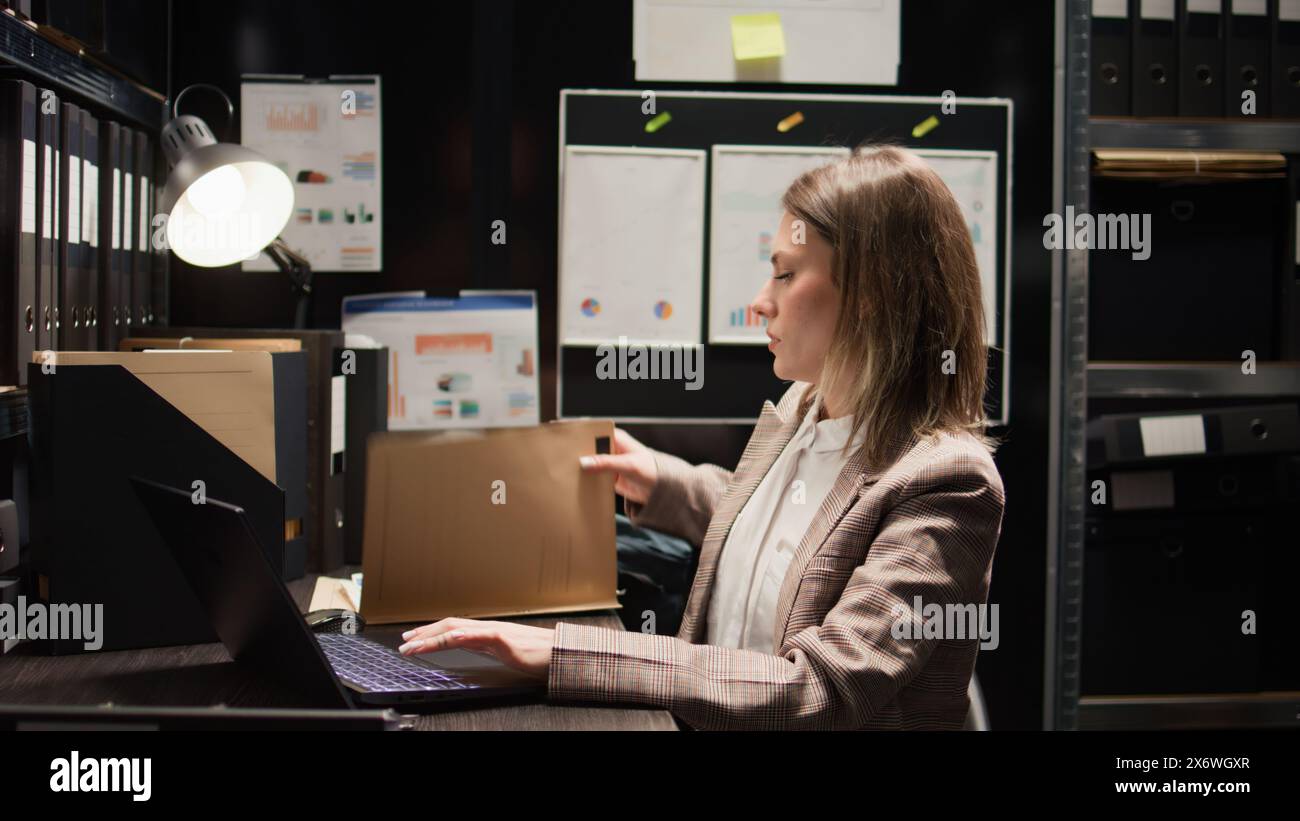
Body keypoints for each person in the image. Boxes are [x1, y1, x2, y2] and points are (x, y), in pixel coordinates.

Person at [398, 144, 1006, 730]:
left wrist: (569, 653)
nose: (760, 302)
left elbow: (819, 692)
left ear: (872, 296)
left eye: (787, 275)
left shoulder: (947, 483)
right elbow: (799, 538)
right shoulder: (806, 407)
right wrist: (663, 480)